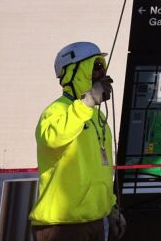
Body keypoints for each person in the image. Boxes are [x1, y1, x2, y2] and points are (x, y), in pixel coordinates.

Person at [31, 41, 125, 240]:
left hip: (94, 222)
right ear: (74, 72)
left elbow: (101, 172)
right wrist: (87, 102)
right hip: (62, 225)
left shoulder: (98, 119)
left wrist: (112, 209)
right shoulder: (56, 111)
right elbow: (53, 139)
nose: (101, 73)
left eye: (102, 66)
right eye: (95, 66)